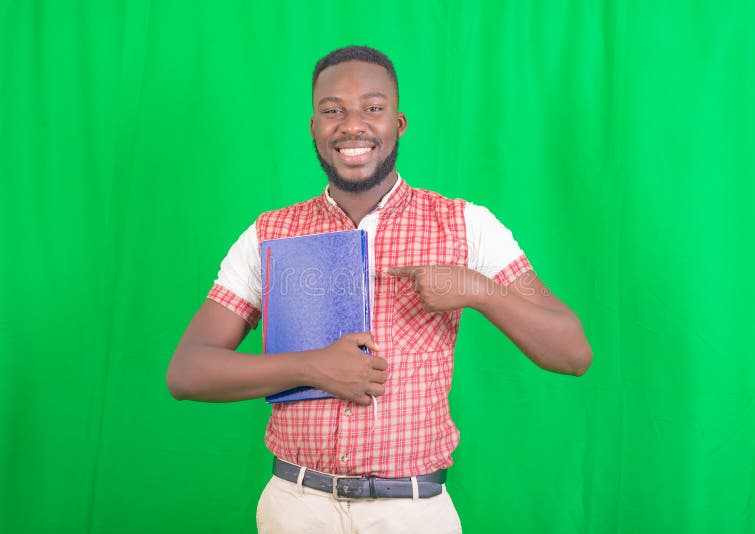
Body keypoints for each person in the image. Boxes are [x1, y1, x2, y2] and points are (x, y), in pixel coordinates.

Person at [167, 45, 592, 534]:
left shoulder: (466, 225)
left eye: (373, 108)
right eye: (333, 110)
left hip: (412, 512)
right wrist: (311, 367)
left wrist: (475, 288)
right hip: (295, 507)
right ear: (313, 127)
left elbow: (572, 352)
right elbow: (188, 371)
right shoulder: (270, 234)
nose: (352, 125)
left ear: (399, 124)